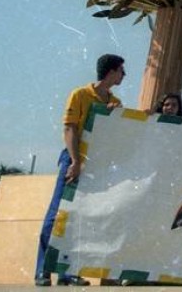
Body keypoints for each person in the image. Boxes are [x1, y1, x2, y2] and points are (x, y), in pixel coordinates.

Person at [35, 53, 125, 287]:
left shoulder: (115, 102)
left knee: (79, 217)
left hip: (97, 163)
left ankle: (67, 272)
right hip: (74, 159)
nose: (124, 75)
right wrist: (75, 161)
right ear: (111, 71)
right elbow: (70, 129)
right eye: (121, 71)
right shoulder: (80, 95)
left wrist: (114, 115)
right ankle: (43, 270)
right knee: (56, 214)